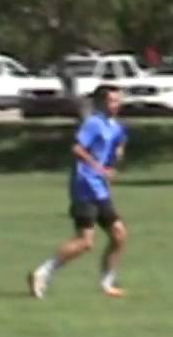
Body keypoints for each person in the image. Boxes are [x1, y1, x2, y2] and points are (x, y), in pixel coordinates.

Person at [27, 85, 129, 299]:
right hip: (85, 187)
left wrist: (114, 160)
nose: (117, 104)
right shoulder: (93, 123)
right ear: (101, 103)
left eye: (119, 100)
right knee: (85, 242)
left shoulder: (116, 127)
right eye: (112, 100)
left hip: (100, 189)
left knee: (119, 235)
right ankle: (42, 272)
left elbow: (117, 147)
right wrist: (99, 168)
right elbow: (77, 148)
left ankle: (107, 283)